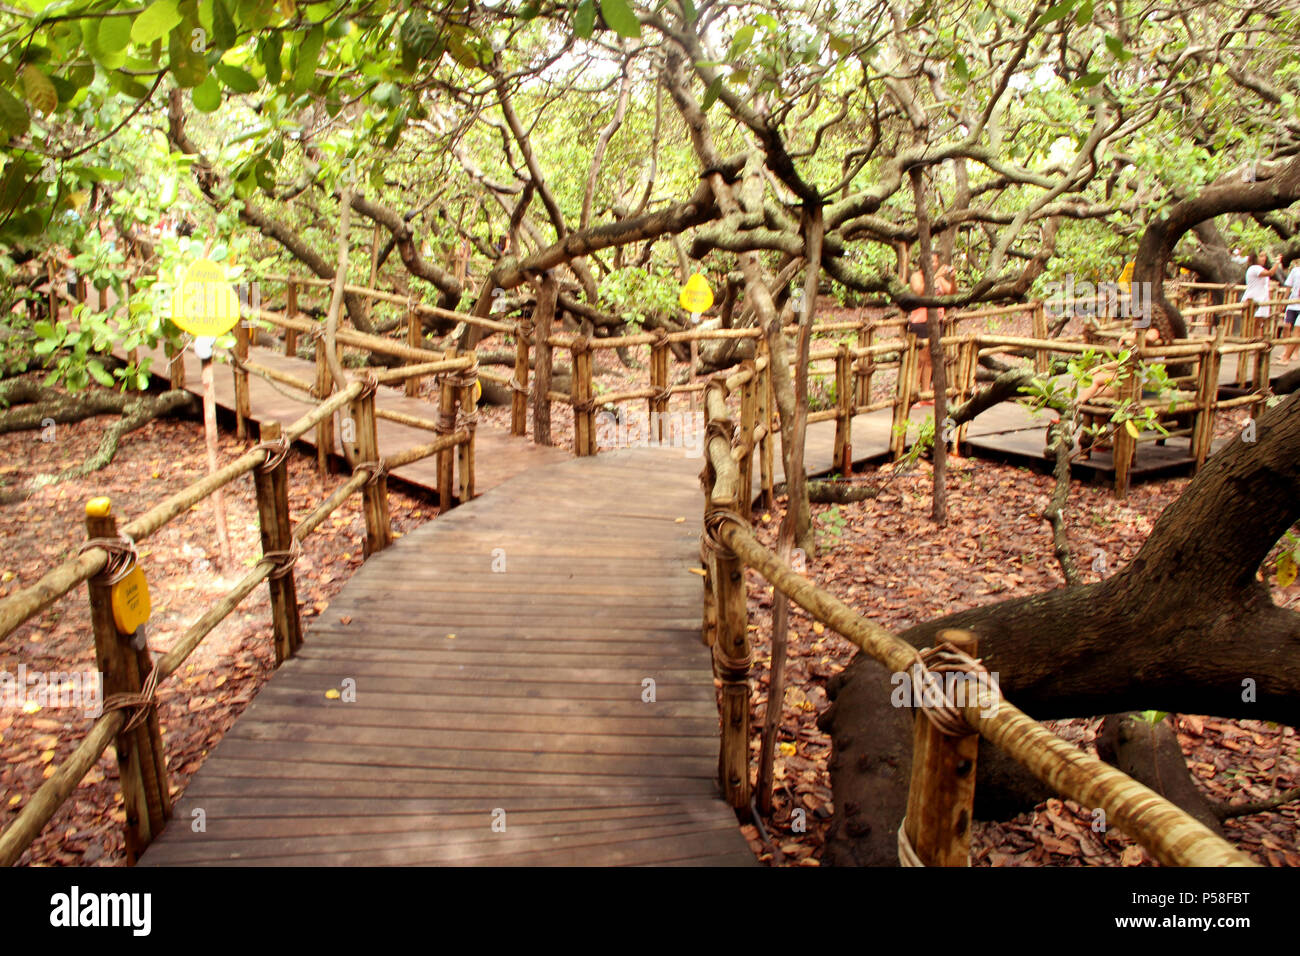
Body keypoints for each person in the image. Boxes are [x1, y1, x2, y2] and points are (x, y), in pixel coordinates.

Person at [906, 253, 954, 405]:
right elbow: (919, 291)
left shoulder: (939, 279)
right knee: (919, 360)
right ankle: (914, 395)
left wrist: (953, 278)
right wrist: (935, 276)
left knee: (930, 359)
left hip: (936, 322)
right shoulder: (916, 277)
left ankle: (926, 393)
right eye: (931, 261)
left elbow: (952, 292)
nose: (934, 263)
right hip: (920, 322)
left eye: (935, 261)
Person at [1280, 256, 1300, 363]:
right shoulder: (1295, 271)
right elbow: (1288, 286)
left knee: (1297, 331)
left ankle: (1295, 352)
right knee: (1287, 326)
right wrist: (1284, 301)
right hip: (1293, 303)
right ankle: (1286, 350)